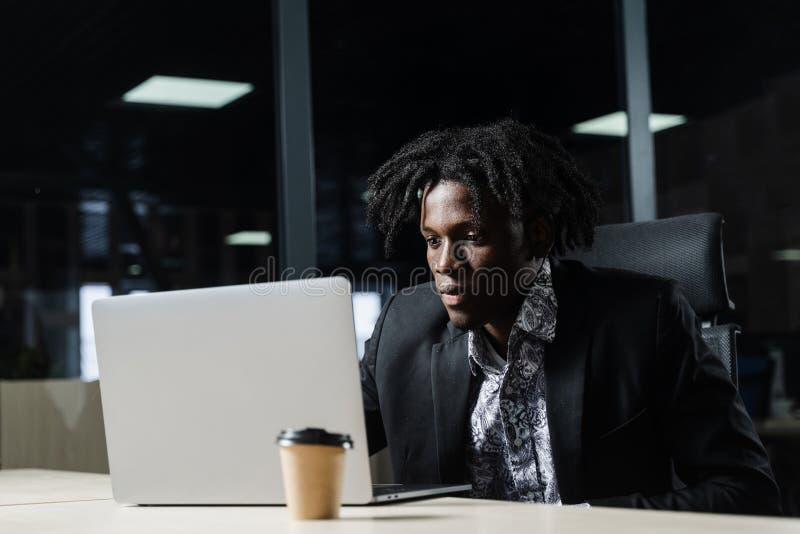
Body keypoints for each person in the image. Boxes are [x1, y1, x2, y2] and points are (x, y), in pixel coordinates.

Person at [359, 118, 781, 514]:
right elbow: (324, 448)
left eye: (471, 238)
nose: (444, 263)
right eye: (433, 241)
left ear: (537, 236)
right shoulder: (401, 329)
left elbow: (746, 490)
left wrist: (582, 525)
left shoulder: (644, 321)